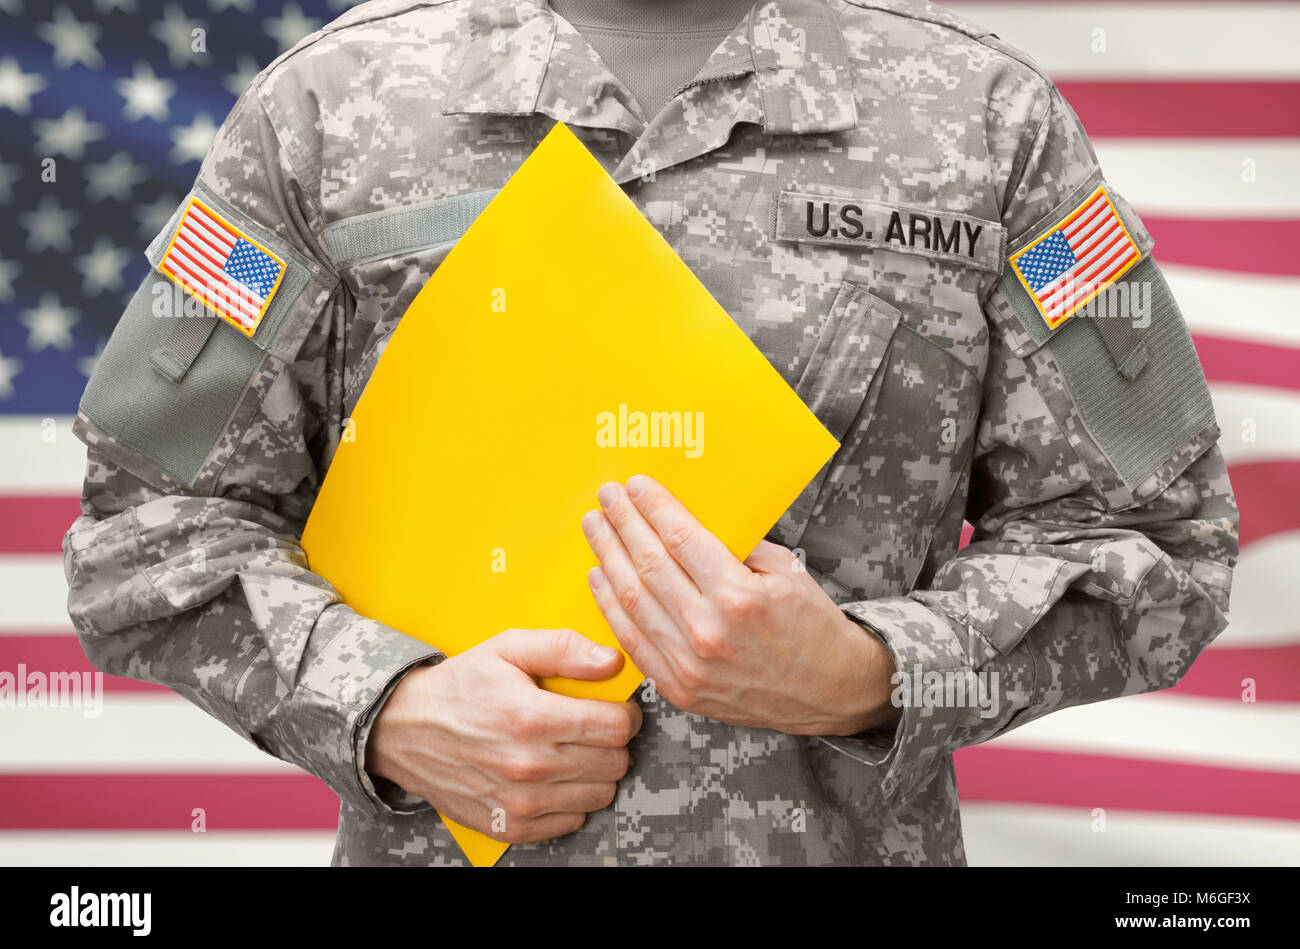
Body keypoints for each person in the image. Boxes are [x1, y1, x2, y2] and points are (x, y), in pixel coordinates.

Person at [63, 0, 1238, 866]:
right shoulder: (325, 109)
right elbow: (148, 530)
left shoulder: (988, 120)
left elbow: (1157, 541)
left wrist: (872, 672)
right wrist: (385, 703)